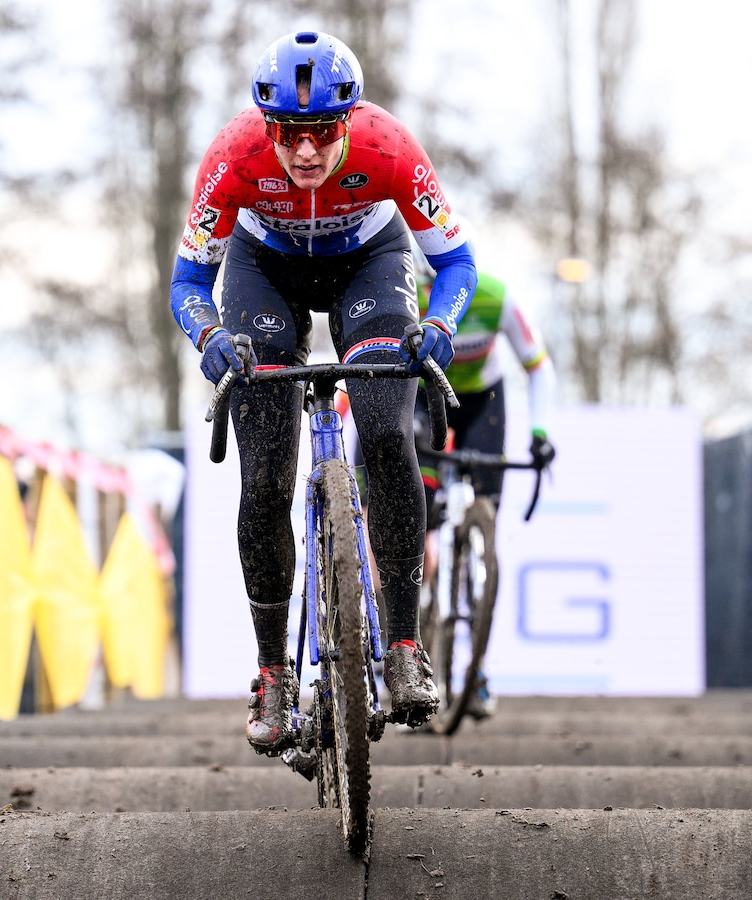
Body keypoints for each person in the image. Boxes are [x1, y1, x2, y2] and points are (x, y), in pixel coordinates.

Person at [171, 31, 477, 751]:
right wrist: (209, 337)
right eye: (288, 134)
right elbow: (189, 281)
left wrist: (439, 323)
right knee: (265, 477)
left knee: (387, 432)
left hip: (368, 267)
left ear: (349, 121)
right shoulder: (231, 157)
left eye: (322, 132)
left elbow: (458, 263)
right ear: (265, 127)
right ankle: (273, 672)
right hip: (264, 274)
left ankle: (402, 644)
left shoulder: (390, 148)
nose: (306, 152)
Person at [413, 265, 557, 718]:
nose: (435, 290)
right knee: (417, 520)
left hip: (481, 402)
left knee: (485, 515)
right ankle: (411, 636)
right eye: (430, 285)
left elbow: (539, 367)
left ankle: (478, 669)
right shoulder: (410, 294)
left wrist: (540, 433)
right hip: (426, 398)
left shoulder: (497, 297)